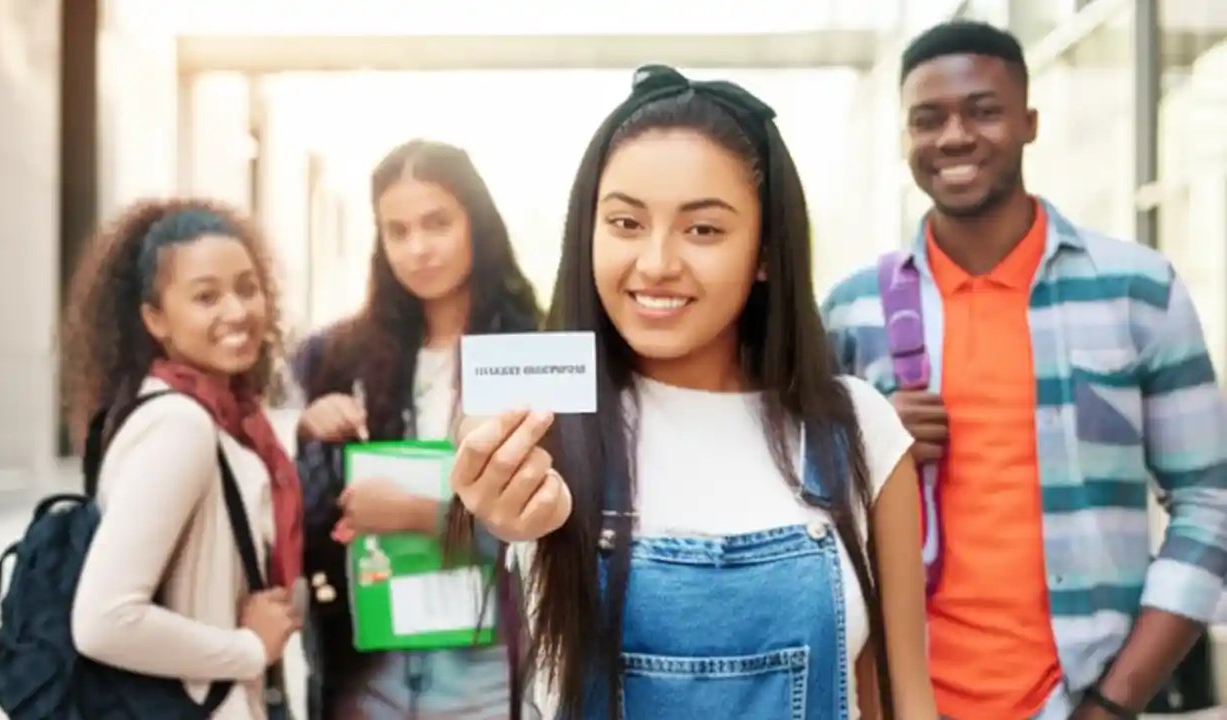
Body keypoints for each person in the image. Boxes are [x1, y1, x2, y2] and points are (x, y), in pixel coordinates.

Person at [448, 65, 938, 719]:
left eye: (702, 229)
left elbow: (904, 697)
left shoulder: (858, 428)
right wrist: (503, 512)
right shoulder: (543, 418)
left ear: (765, 252)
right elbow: (491, 484)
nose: (655, 263)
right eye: (625, 223)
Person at [820, 20, 1227, 720]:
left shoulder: (1137, 290)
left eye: (983, 110)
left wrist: (1114, 701)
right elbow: (801, 510)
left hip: (1079, 699)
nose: (954, 137)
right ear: (904, 138)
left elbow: (1212, 503)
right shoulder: (853, 312)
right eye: (928, 119)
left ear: (1029, 122)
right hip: (902, 703)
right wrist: (866, 452)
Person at [291, 139, 543, 719]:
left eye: (437, 224)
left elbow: (555, 529)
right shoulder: (338, 357)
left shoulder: (531, 354)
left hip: (486, 669)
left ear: (475, 224)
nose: (418, 249)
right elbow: (297, 519)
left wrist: (418, 514)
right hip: (368, 671)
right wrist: (311, 434)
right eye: (397, 231)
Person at [65, 198, 305, 719]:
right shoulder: (181, 426)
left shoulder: (221, 417)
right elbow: (104, 619)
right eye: (206, 297)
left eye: (247, 287)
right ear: (156, 319)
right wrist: (248, 648)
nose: (237, 312)